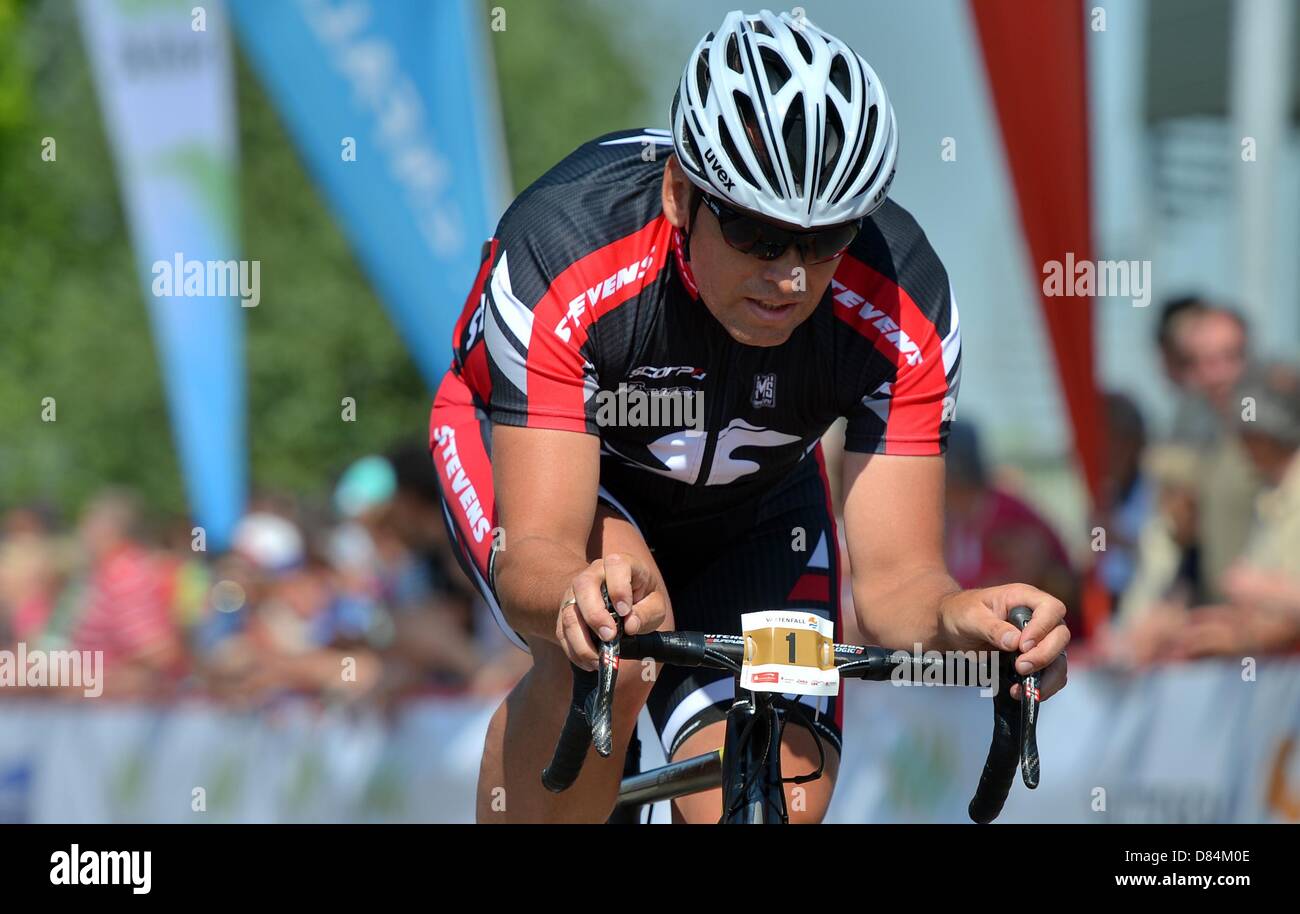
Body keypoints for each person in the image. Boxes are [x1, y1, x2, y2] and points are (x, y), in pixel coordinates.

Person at [429, 9, 1069, 824]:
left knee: (779, 806)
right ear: (679, 195)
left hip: (753, 504)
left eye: (825, 237)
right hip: (551, 469)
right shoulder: (569, 246)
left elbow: (898, 584)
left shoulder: (902, 300)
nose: (792, 278)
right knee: (612, 654)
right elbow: (542, 551)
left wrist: (962, 623)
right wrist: (573, 596)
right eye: (758, 234)